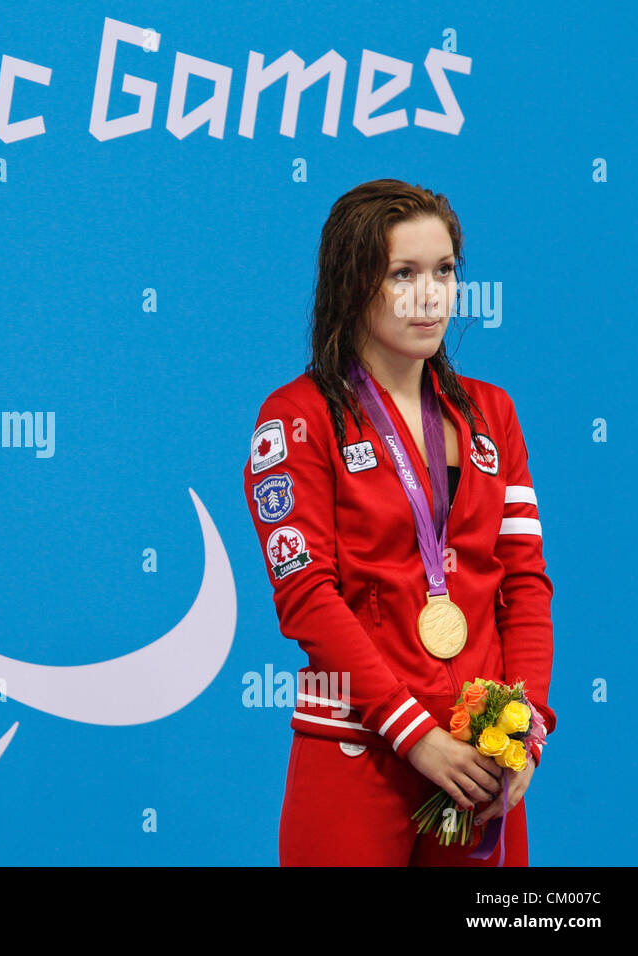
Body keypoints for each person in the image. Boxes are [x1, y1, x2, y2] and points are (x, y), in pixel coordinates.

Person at [241, 179, 557, 866]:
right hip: (359, 754)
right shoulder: (297, 419)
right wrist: (414, 734)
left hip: (480, 768)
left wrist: (523, 733)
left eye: (444, 272)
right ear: (355, 284)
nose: (430, 295)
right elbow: (308, 600)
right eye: (403, 274)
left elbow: (526, 587)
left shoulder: (492, 414)